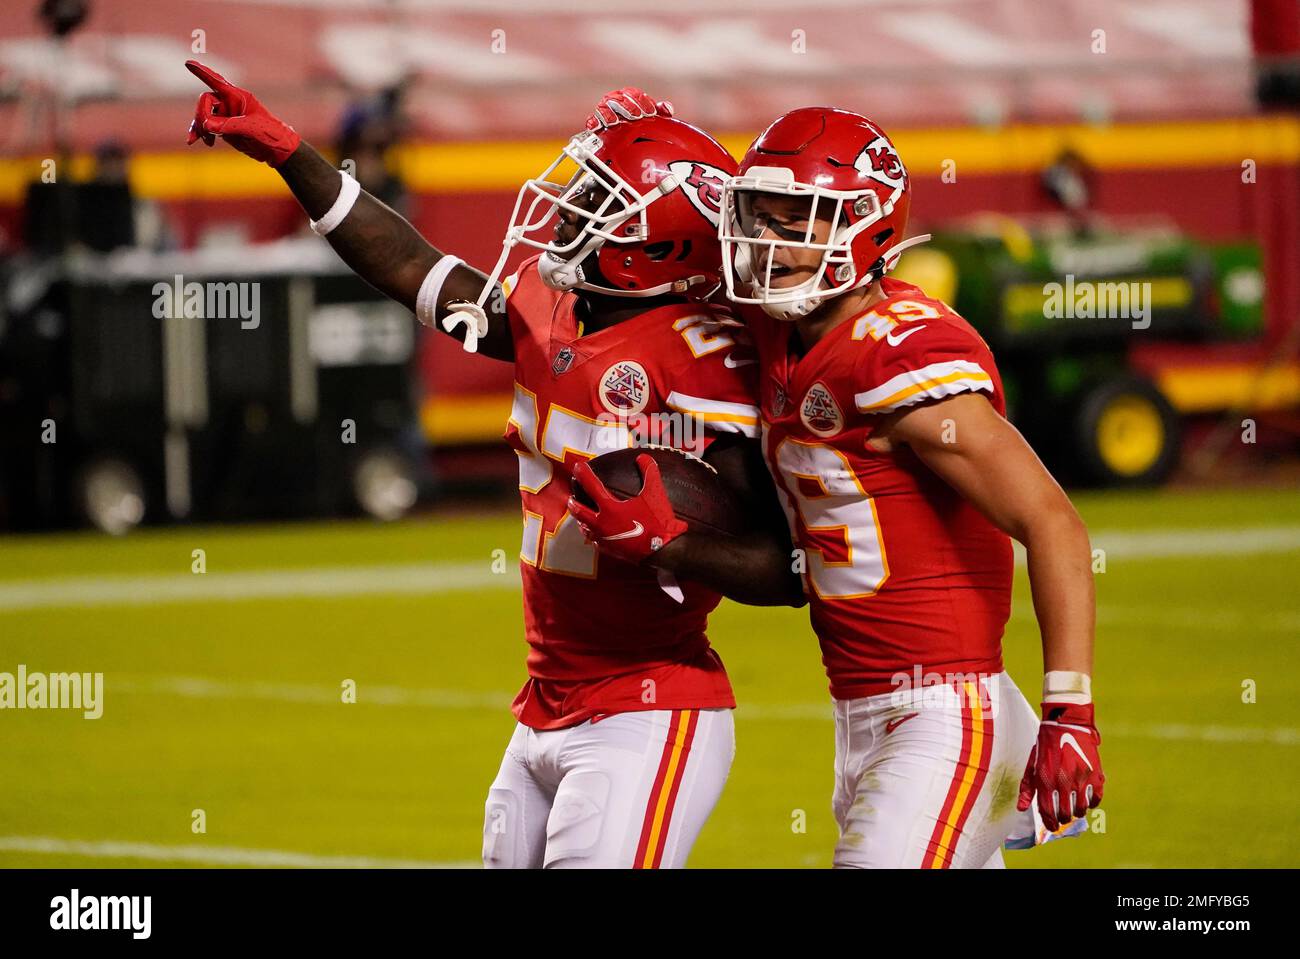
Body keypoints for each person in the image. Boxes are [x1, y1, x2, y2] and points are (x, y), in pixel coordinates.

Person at [184, 68, 802, 868]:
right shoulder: (551, 313)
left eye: (597, 202)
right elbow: (411, 267)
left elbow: (793, 568)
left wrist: (678, 547)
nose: (569, 211)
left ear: (658, 243)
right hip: (544, 704)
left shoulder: (703, 358)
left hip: (648, 706)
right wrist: (293, 156)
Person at [574, 101, 1104, 868]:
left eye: (800, 222)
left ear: (868, 227)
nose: (770, 243)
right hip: (863, 713)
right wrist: (657, 132)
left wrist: (1072, 712)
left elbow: (1053, 521)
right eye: (761, 216)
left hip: (946, 715)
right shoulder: (778, 326)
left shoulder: (900, 355)